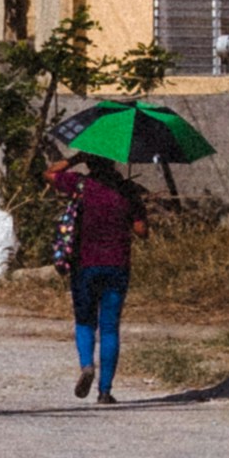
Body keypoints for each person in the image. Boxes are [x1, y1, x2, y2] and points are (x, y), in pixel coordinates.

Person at [59, 143, 148, 403]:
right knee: (109, 327)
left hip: (84, 265)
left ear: (90, 162)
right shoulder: (128, 190)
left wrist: (76, 158)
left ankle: (87, 364)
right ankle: (105, 391)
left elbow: (50, 174)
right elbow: (142, 232)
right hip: (117, 265)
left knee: (85, 321)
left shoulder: (81, 185)